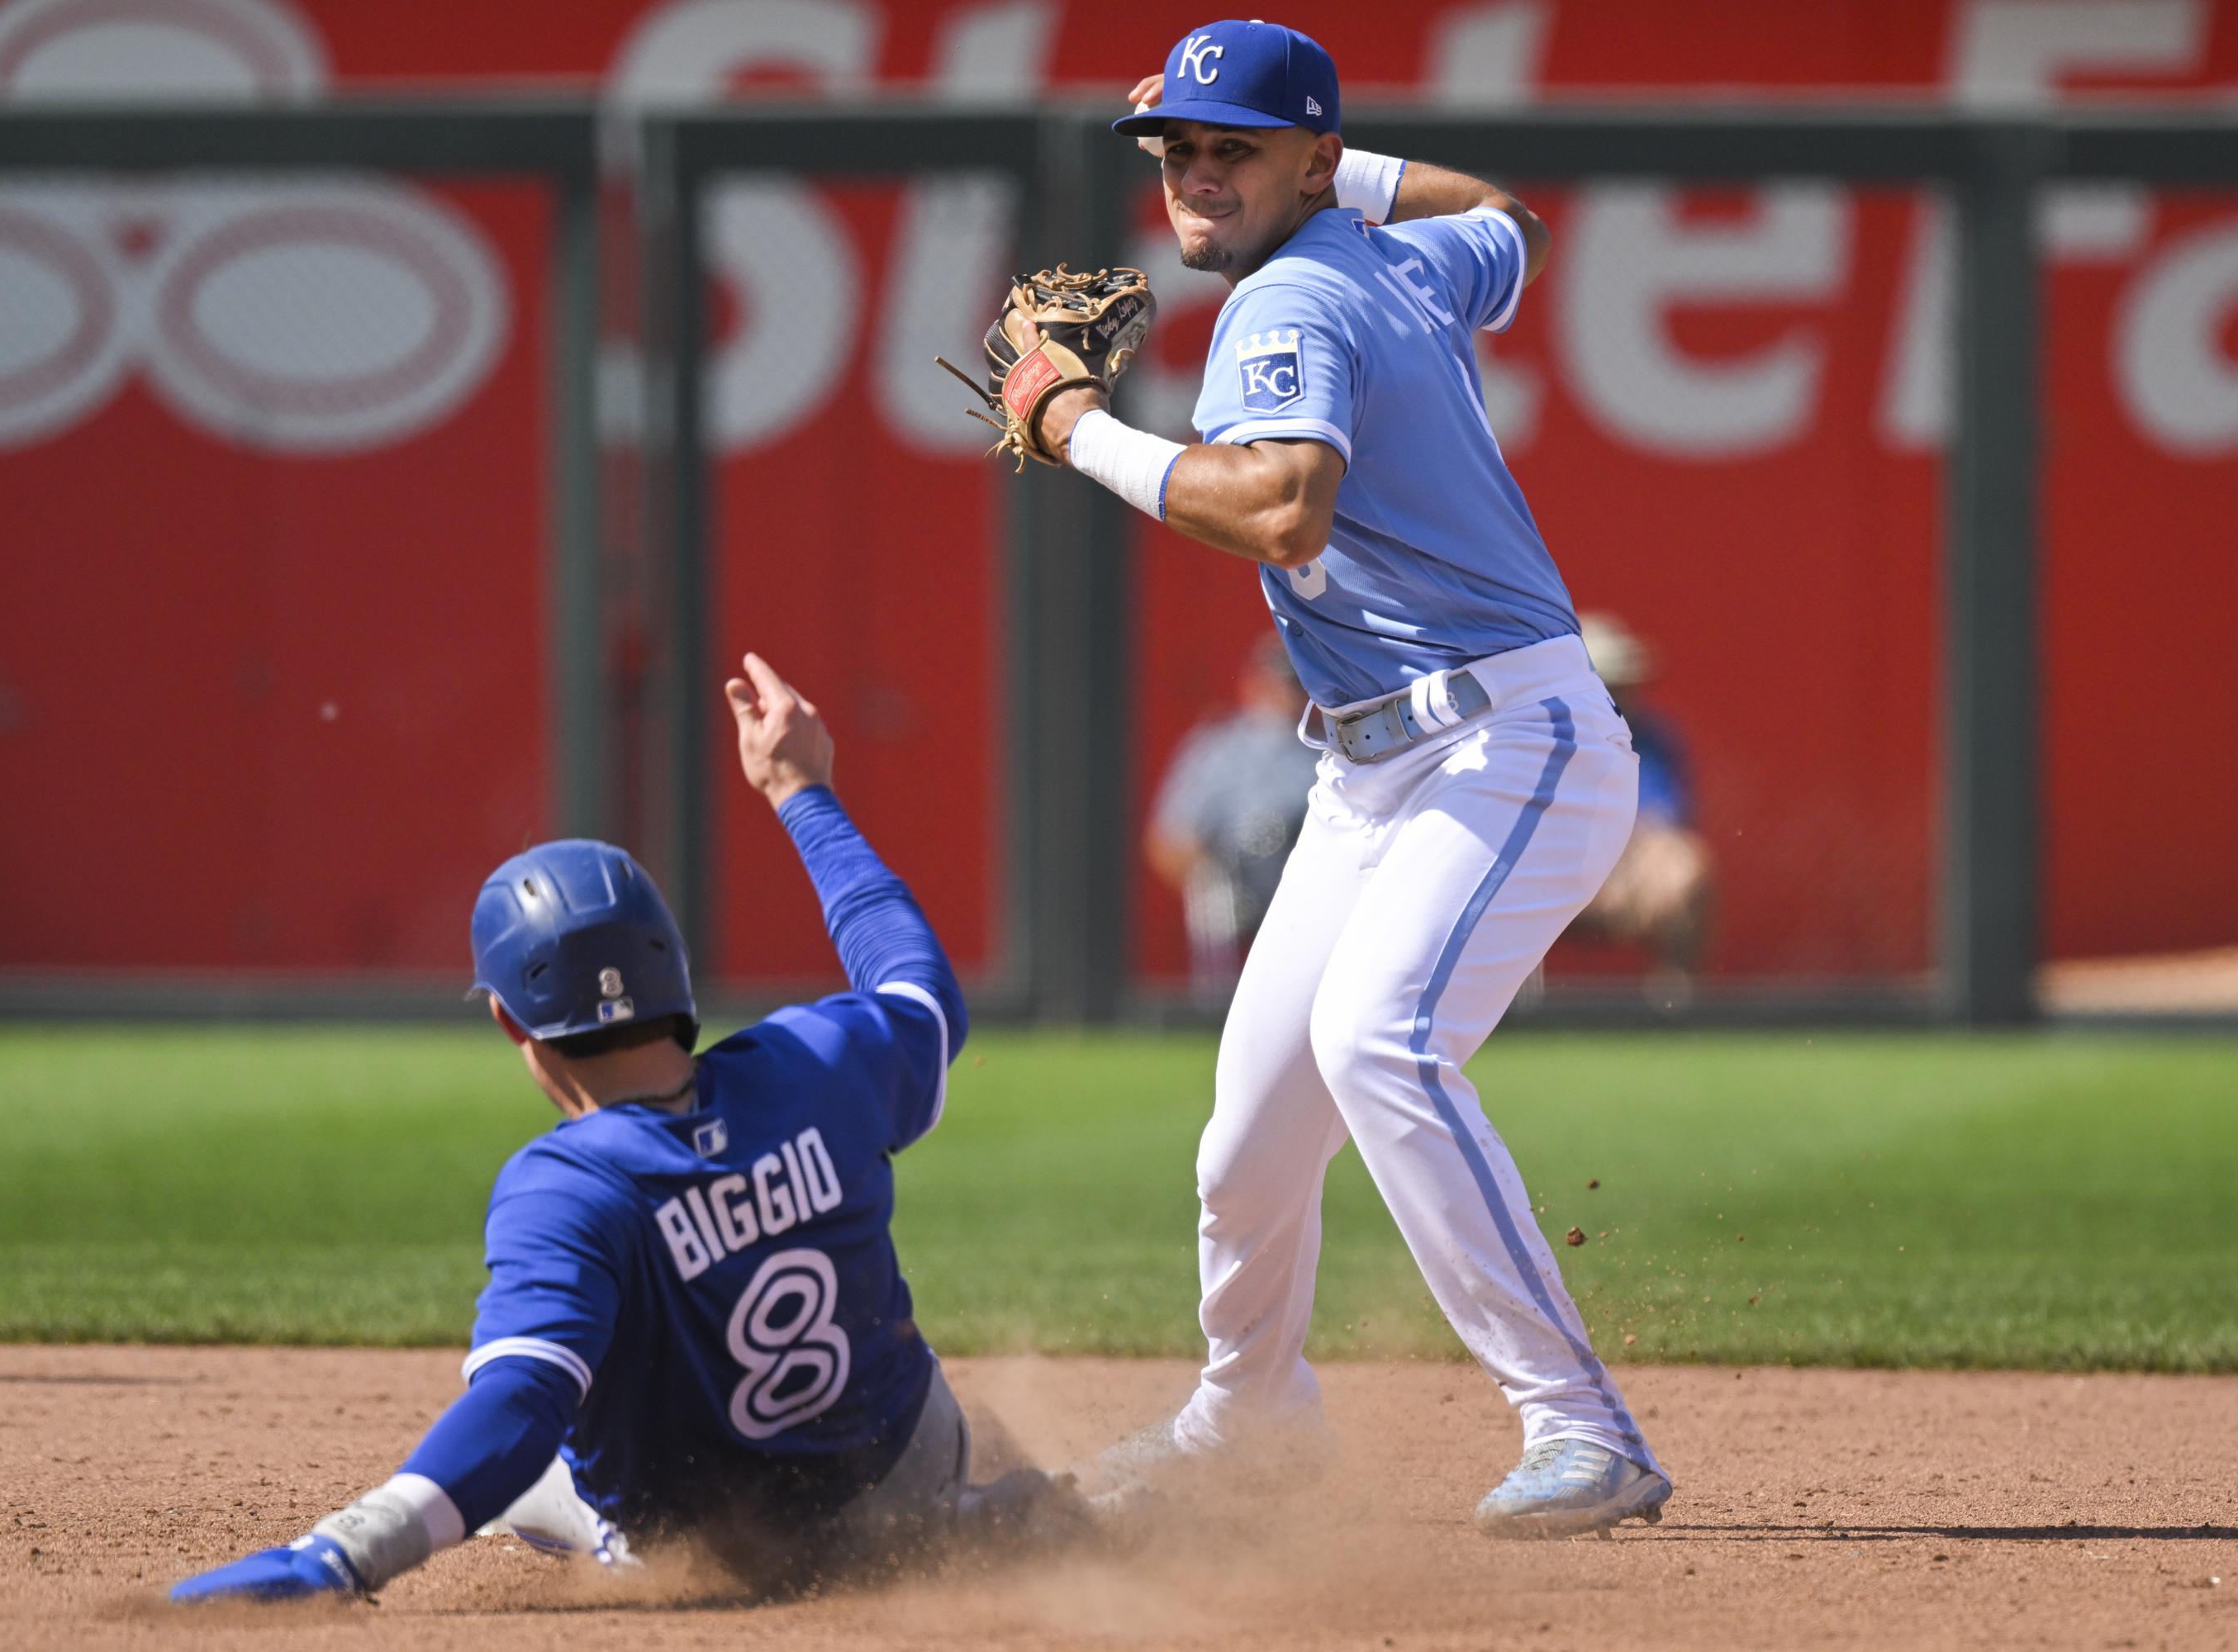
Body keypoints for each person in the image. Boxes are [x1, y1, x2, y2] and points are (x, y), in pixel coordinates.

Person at [1005, 19, 1673, 1536]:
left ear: (1307, 161)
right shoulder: (1397, 256)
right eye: (1178, 148)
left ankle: (1583, 1426)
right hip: (1378, 770)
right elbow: (1519, 223)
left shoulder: (1292, 295)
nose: (1193, 175)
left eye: (1231, 147)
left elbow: (1287, 511)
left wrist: (1079, 427)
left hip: (1507, 743)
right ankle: (1249, 1420)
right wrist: (1338, 172)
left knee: (1381, 1042)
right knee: (1249, 1130)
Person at [170, 653, 1075, 1605]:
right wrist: (800, 789)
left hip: (736, 1554)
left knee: (525, 1441)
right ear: (675, 982)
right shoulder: (821, 1059)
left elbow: (517, 1408)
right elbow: (919, 990)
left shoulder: (566, 1184)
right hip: (912, 1471)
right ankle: (966, 1517)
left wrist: (340, 1554)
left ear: (511, 1023)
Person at [1146, 633, 1319, 1001]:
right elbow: (1171, 838)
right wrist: (1209, 877)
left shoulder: (1334, 748)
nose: (1289, 693)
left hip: (1315, 888)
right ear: (1255, 681)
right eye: (1282, 681)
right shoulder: (1219, 749)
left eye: (1298, 682)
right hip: (1241, 883)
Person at [1567, 613, 1715, 987]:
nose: (1620, 697)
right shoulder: (1543, 740)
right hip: (1555, 868)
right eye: (1608, 686)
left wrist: (1621, 878)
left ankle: (1673, 996)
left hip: (1626, 874)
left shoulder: (1654, 739)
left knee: (1687, 864)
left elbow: (1662, 826)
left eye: (1622, 686)